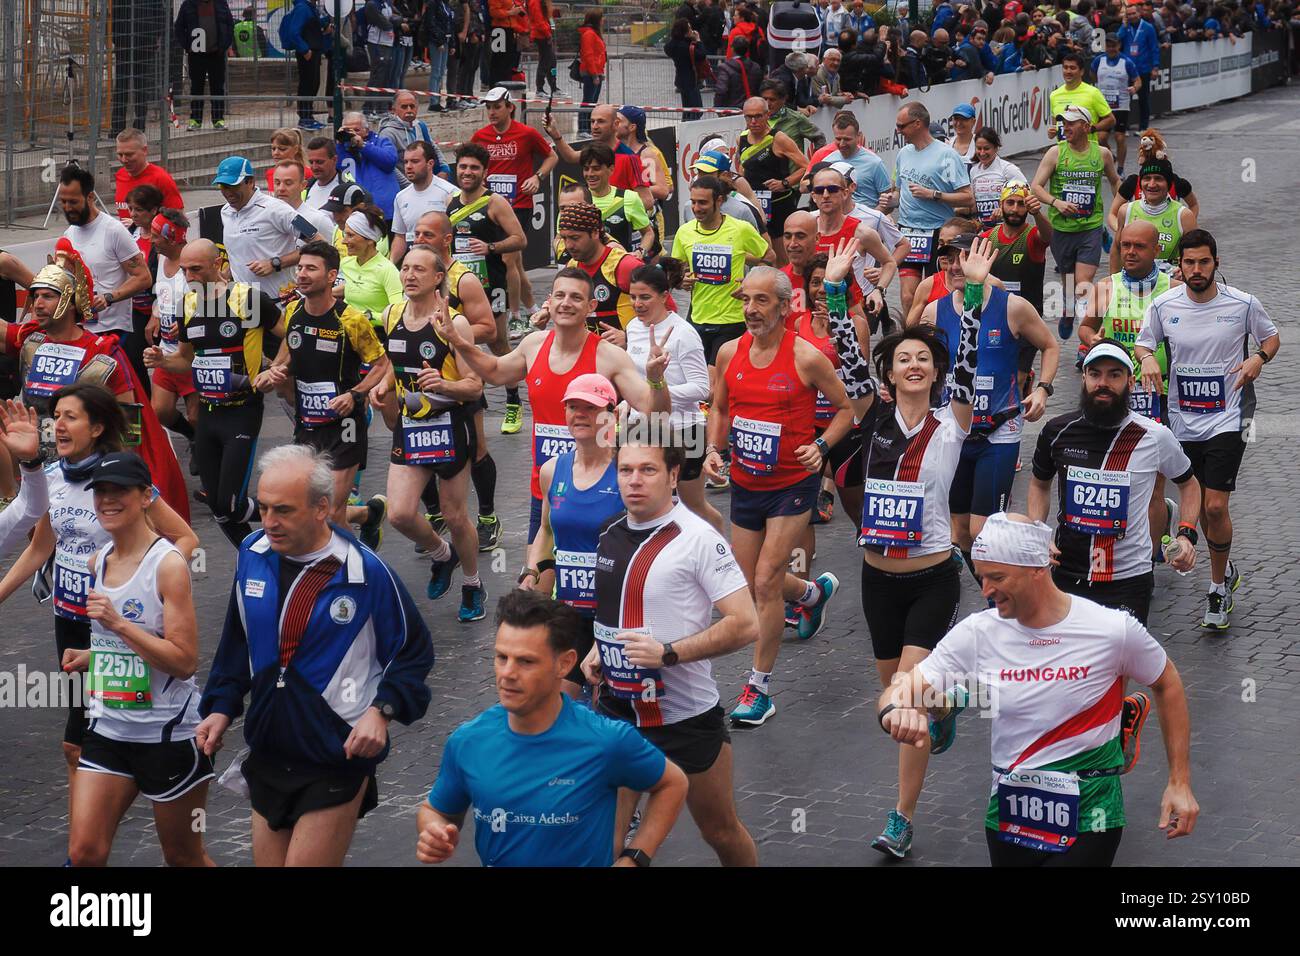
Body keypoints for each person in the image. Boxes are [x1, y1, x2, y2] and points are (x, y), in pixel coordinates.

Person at [879, 512, 1199, 867]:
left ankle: (1113, 724)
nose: (985, 590)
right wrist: (897, 709)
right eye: (982, 577)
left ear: (1036, 569)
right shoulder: (978, 633)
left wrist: (1179, 782)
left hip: (1091, 810)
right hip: (1009, 812)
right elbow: (902, 686)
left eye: (997, 577)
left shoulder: (1110, 629)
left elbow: (1166, 682)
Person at [196, 444, 434, 867]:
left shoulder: (364, 573)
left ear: (322, 507)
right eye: (264, 508)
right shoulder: (252, 555)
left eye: (283, 510)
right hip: (270, 746)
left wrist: (382, 711)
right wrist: (220, 706)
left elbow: (412, 652)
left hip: (335, 753)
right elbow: (237, 640)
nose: (269, 522)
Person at [0, 385, 196, 850]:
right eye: (55, 417)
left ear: (98, 426)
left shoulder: (125, 484)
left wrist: (146, 585)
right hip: (71, 620)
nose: (58, 426)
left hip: (115, 627)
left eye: (69, 417)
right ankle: (84, 844)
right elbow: (41, 546)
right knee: (77, 736)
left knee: (109, 718)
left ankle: (150, 786)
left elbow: (184, 538)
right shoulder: (51, 476)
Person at [582, 440, 761, 866]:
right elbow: (615, 609)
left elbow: (746, 623)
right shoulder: (609, 532)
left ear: (674, 475)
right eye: (625, 471)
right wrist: (596, 649)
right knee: (604, 838)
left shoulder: (699, 538)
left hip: (685, 717)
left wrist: (669, 654)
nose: (634, 481)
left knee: (719, 830)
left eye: (647, 470)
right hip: (618, 711)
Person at [419, 589, 688, 866]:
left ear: (565, 663)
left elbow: (673, 783)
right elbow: (435, 810)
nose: (508, 673)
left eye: (526, 661)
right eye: (502, 658)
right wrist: (433, 831)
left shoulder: (605, 740)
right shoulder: (469, 741)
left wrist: (635, 857)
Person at [704, 267, 853, 728]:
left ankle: (758, 688)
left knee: (766, 580)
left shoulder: (807, 357)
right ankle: (811, 593)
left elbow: (847, 409)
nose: (750, 310)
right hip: (747, 483)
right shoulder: (731, 352)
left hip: (793, 484)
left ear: (785, 307)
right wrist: (714, 449)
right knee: (749, 582)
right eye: (746, 300)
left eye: (761, 301)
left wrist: (822, 445)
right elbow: (722, 408)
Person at [435, 265, 671, 551]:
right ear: (550, 301)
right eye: (560, 295)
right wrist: (458, 340)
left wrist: (656, 380)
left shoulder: (609, 356)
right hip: (546, 488)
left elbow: (652, 408)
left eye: (576, 297)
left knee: (594, 577)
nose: (566, 303)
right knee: (537, 578)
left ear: (590, 306)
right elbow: (495, 371)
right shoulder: (534, 344)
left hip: (598, 492)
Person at [60, 451, 212, 867]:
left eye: (119, 491)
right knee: (84, 852)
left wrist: (118, 624)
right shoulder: (98, 562)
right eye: (101, 492)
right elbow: (126, 648)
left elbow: (183, 661)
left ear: (146, 496)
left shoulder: (168, 565)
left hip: (168, 736)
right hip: (108, 728)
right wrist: (92, 655)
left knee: (184, 857)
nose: (107, 500)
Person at [1135, 230, 1280, 629]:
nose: (1196, 270)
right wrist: (1146, 358)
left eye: (1204, 262)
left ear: (1216, 262)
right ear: (1178, 265)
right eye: (1189, 262)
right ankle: (1223, 563)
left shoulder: (1242, 303)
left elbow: (1271, 336)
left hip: (1229, 416)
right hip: (1181, 419)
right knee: (1196, 504)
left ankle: (1217, 588)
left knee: (1215, 506)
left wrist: (1258, 359)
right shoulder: (1164, 305)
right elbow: (1144, 344)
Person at [0, 245, 190, 519]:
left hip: (88, 478)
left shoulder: (102, 352)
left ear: (70, 300)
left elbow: (129, 426)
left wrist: (117, 481)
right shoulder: (32, 341)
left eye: (48, 296)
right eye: (35, 296)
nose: (37, 304)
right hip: (40, 475)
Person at [1029, 341, 1201, 630]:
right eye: (1095, 374)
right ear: (1083, 379)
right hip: (1067, 572)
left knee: (1116, 673)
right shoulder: (1057, 432)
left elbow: (1189, 484)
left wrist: (1186, 535)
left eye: (1114, 375)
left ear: (1130, 382)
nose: (1103, 383)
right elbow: (1038, 485)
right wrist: (1037, 530)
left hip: (1128, 579)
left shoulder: (1155, 436)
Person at [377, 244, 490, 620]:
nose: (409, 275)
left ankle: (473, 584)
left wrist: (443, 385)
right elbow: (396, 360)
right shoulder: (391, 313)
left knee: (455, 516)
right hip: (410, 428)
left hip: (449, 428)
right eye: (405, 268)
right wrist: (382, 386)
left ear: (438, 277)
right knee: (399, 514)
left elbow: (474, 385)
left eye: (419, 270)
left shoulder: (453, 323)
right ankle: (444, 555)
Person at [146, 238, 281, 546]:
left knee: (231, 504)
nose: (189, 277)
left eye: (196, 269)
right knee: (219, 509)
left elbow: (291, 336)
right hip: (207, 414)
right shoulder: (188, 305)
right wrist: (161, 361)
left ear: (218, 265)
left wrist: (274, 369)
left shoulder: (248, 299)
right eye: (184, 271)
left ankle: (293, 513)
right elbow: (185, 360)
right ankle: (252, 557)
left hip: (242, 411)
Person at [254, 239, 390, 534]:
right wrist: (272, 373)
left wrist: (355, 394)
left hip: (346, 428)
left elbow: (380, 363)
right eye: (300, 267)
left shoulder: (350, 320)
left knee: (330, 514)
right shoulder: (292, 312)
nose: (301, 274)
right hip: (307, 424)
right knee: (312, 510)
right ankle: (368, 515)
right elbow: (286, 357)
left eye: (311, 269)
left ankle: (354, 574)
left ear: (331, 276)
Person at [522, 373, 623, 695]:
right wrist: (531, 575)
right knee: (557, 707)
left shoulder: (627, 472)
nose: (579, 414)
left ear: (612, 414)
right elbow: (546, 530)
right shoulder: (553, 469)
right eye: (573, 407)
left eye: (590, 408)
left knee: (606, 714)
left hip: (617, 615)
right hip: (571, 613)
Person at [409, 210, 504, 552]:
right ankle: (435, 514)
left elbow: (489, 329)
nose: (419, 240)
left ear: (447, 239)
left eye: (427, 235)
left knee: (477, 448)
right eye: (417, 233)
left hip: (460, 374)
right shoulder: (412, 274)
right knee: (419, 449)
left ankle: (489, 516)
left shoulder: (463, 278)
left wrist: (452, 332)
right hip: (421, 380)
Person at [624, 265, 718, 530]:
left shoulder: (683, 333)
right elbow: (634, 377)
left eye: (645, 297)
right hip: (640, 428)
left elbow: (702, 388)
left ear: (664, 296)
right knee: (644, 502)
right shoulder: (632, 327)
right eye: (633, 297)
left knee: (691, 506)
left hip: (683, 430)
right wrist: (628, 400)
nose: (637, 304)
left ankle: (721, 554)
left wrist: (656, 391)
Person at [446, 142, 528, 432]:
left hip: (490, 284)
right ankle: (467, 397)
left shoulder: (494, 202)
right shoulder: (451, 202)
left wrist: (490, 246)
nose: (467, 172)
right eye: (463, 167)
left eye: (474, 168)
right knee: (457, 339)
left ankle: (513, 402)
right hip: (458, 285)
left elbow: (520, 239)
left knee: (498, 344)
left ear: (485, 172)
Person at [671, 176, 772, 400]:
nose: (696, 208)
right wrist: (681, 280)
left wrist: (749, 284)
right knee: (699, 385)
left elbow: (770, 259)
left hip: (731, 321)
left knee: (714, 388)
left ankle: (719, 432)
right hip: (697, 319)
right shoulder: (684, 233)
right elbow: (677, 272)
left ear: (719, 201)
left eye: (703, 203)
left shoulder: (741, 229)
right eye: (693, 202)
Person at [471, 87, 557, 339]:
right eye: (488, 107)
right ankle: (532, 310)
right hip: (492, 206)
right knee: (516, 264)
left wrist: (537, 177)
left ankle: (516, 318)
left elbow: (551, 157)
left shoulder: (527, 133)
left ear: (510, 107)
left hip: (518, 205)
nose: (492, 112)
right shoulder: (480, 136)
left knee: (508, 259)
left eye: (497, 106)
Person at [1031, 105, 1121, 341]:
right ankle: (1068, 310)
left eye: (1071, 123)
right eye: (1064, 123)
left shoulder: (1102, 154)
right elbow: (1036, 186)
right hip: (1061, 229)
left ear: (1086, 126)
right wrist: (1056, 202)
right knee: (1069, 281)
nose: (1066, 127)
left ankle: (1087, 336)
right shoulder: (1056, 153)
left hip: (1089, 226)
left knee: (1083, 284)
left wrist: (1121, 209)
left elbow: (1114, 181)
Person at [59, 166, 153, 385]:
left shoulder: (113, 230)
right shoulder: (68, 235)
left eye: (73, 201)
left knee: (127, 400)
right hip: (82, 330)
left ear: (90, 197)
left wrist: (109, 297)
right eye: (63, 202)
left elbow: (144, 278)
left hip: (115, 331)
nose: (67, 208)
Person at [1080, 218, 1175, 431]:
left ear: (1156, 250)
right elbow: (1086, 328)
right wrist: (1092, 340)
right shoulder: (1105, 287)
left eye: (1139, 246)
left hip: (1162, 390)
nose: (1130, 251)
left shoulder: (1174, 289)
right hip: (1116, 391)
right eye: (1125, 245)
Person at [890, 102, 975, 318]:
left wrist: (934, 195)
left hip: (939, 233)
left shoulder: (947, 155)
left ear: (917, 124)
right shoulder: (903, 154)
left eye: (901, 126)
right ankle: (910, 339)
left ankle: (939, 336)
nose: (898, 131)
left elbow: (967, 197)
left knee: (938, 293)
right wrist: (887, 203)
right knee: (908, 296)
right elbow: (900, 192)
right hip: (909, 232)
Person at [981, 182, 1054, 397]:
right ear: (1000, 205)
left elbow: (1048, 236)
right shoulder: (988, 239)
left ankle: (1012, 422)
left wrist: (1038, 214)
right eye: (1010, 203)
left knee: (1018, 378)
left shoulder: (1032, 236)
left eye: (1021, 204)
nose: (1015, 209)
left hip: (1026, 319)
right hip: (995, 317)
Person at [213, 155, 303, 301]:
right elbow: (241, 256)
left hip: (280, 304)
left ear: (250, 182)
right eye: (223, 186)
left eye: (233, 185)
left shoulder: (278, 209)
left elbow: (319, 243)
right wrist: (224, 276)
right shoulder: (226, 212)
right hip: (244, 306)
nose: (228, 192)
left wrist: (275, 263)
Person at [145, 209, 200, 449]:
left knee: (197, 416)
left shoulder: (193, 263)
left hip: (192, 354)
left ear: (172, 236)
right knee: (160, 411)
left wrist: (191, 321)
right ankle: (193, 437)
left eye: (156, 235)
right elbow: (163, 292)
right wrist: (155, 314)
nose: (151, 240)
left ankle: (202, 445)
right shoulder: (159, 258)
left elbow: (215, 295)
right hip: (166, 349)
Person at [737, 96, 808, 267]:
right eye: (749, 117)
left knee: (782, 260)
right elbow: (741, 168)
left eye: (758, 116)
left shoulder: (778, 138)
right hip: (755, 206)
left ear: (767, 114)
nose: (753, 121)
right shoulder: (742, 138)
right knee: (761, 258)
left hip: (779, 205)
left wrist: (785, 183)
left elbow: (806, 166)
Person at [543, 104, 653, 214]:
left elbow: (647, 201)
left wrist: (616, 216)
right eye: (592, 121)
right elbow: (571, 157)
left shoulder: (629, 158)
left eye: (601, 121)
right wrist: (555, 134)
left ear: (616, 124)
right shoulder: (594, 151)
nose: (595, 126)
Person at [1111, 155, 1196, 271]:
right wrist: (1113, 283)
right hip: (1132, 284)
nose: (1151, 184)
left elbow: (1195, 255)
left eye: (1158, 178)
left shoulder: (1183, 216)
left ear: (1169, 184)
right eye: (1147, 178)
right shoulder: (1126, 211)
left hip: (1169, 285)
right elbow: (1116, 249)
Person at [389, 143, 460, 264]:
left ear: (430, 164)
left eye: (415, 161)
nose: (408, 166)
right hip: (416, 265)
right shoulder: (401, 197)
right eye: (406, 162)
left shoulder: (450, 192)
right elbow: (400, 237)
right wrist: (390, 264)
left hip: (444, 266)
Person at [174, 0, 235, 130]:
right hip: (196, 55)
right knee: (196, 87)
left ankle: (218, 120)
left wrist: (224, 45)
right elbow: (179, 27)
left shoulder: (221, 4)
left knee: (218, 88)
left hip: (216, 54)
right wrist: (187, 45)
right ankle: (195, 120)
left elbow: (230, 25)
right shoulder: (188, 4)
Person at [337, 203, 405, 318]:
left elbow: (397, 314)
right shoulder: (346, 263)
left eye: (350, 235)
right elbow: (352, 287)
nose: (344, 241)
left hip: (377, 333)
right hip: (347, 331)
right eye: (345, 234)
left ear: (369, 239)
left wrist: (368, 316)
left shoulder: (388, 270)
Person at [376, 91, 451, 192]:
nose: (409, 110)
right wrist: (410, 187)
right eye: (404, 107)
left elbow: (433, 148)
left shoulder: (420, 126)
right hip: (405, 189)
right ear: (394, 110)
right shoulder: (388, 133)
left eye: (412, 106)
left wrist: (444, 169)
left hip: (429, 185)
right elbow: (389, 165)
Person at [1092, 33, 1142, 176]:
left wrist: (1134, 88)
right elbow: (1093, 75)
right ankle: (1111, 157)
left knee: (1119, 137)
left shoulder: (1126, 62)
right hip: (1103, 106)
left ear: (1119, 46)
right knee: (1100, 138)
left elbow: (1138, 81)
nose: (1111, 48)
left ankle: (1120, 167)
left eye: (1114, 45)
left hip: (1121, 105)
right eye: (1108, 45)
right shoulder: (1098, 61)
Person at [335, 112, 400, 221]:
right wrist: (340, 143)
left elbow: (390, 162)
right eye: (348, 131)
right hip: (356, 214)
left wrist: (363, 146)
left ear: (366, 130)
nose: (352, 134)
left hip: (385, 213)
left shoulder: (381, 141)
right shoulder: (343, 150)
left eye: (356, 130)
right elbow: (341, 172)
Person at [821, 112, 892, 209]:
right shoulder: (827, 161)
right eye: (838, 139)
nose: (842, 144)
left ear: (858, 136)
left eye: (847, 139)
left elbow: (888, 202)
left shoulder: (874, 163)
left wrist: (872, 219)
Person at [280, 0, 332, 129]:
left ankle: (308, 115)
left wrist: (325, 27)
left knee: (314, 83)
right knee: (307, 83)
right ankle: (304, 117)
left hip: (314, 50)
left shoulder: (310, 8)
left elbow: (313, 27)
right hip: (308, 52)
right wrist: (304, 49)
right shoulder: (303, 8)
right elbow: (294, 31)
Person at [113, 130, 184, 225]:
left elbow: (178, 218)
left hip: (152, 239)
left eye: (129, 154)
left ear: (144, 150)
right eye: (120, 154)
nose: (124, 159)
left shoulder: (160, 178)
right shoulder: (120, 174)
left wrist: (140, 226)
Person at [1048, 50, 1116, 147]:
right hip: (1064, 155)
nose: (1068, 71)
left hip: (1087, 153)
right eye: (1065, 68)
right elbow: (1056, 125)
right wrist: (1052, 132)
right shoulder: (1054, 95)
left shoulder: (1092, 93)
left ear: (1082, 71)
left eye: (1072, 68)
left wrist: (1092, 128)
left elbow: (1111, 120)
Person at [965, 128, 1024, 230]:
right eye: (979, 148)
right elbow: (974, 204)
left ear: (996, 148)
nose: (982, 153)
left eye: (986, 148)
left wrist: (1005, 209)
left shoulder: (1008, 169)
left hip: (1006, 228)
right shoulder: (974, 171)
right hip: (984, 229)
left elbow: (1027, 193)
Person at [270, 159, 336, 245]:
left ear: (303, 185)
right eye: (277, 183)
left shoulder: (318, 219)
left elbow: (332, 254)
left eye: (288, 183)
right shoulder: (266, 216)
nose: (281, 188)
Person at [1118, 3, 1159, 131]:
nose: (1131, 16)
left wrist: (1155, 67)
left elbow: (1154, 48)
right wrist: (1124, 26)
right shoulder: (1125, 27)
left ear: (1139, 13)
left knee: (1143, 99)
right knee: (1125, 100)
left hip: (1143, 69)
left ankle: (1143, 127)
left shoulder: (1148, 27)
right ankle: (1123, 127)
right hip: (1127, 70)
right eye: (1129, 14)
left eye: (1133, 13)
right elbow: (1117, 39)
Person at [759, 79, 826, 154]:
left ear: (783, 99)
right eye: (764, 99)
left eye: (772, 100)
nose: (767, 104)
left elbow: (820, 138)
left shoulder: (796, 119)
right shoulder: (756, 119)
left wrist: (816, 159)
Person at [666, 17, 710, 121]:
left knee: (687, 109)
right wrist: (698, 40)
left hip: (681, 79)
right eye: (689, 28)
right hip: (690, 80)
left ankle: (686, 124)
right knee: (696, 109)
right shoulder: (685, 47)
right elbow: (702, 54)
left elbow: (668, 46)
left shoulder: (672, 45)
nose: (691, 30)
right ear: (684, 32)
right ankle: (690, 126)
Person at [302, 137, 355, 213]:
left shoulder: (348, 188)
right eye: (311, 162)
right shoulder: (305, 187)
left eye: (319, 162)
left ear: (334, 160)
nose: (314, 167)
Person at [577, 10, 608, 135]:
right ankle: (583, 128)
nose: (603, 20)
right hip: (591, 73)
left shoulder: (593, 33)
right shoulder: (589, 34)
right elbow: (588, 55)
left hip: (596, 72)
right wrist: (595, 74)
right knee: (588, 101)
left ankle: (588, 127)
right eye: (601, 18)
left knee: (592, 102)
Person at [713, 36, 766, 109]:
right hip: (753, 108)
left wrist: (718, 108)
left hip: (732, 110)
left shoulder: (725, 67)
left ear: (732, 49)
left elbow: (721, 90)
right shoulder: (756, 67)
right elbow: (760, 87)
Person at [424, 0, 456, 111]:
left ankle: (437, 99)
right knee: (436, 71)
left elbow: (450, 24)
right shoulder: (433, 4)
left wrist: (452, 44)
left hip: (446, 40)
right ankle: (433, 102)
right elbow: (430, 24)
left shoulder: (447, 5)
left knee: (441, 72)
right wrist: (439, 41)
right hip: (437, 42)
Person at [529, 0, 560, 96]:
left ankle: (553, 87)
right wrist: (548, 34)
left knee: (552, 61)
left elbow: (549, 17)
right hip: (541, 36)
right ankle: (540, 88)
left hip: (545, 34)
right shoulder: (535, 2)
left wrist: (552, 29)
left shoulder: (545, 2)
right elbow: (539, 21)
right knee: (545, 61)